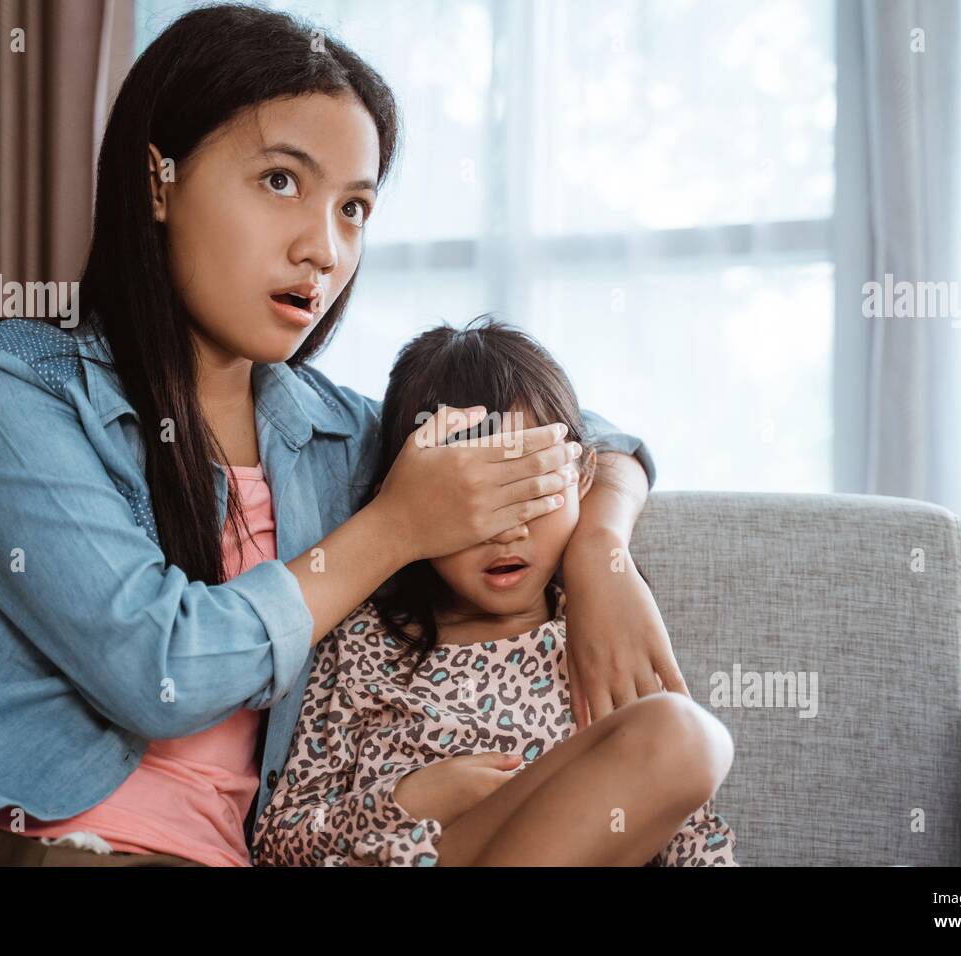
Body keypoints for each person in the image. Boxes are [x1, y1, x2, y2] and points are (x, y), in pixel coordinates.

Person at [0, 5, 678, 866]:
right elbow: (158, 669)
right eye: (280, 181)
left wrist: (602, 555)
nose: (323, 249)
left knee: (674, 745)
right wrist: (396, 528)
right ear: (160, 178)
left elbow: (580, 432)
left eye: (354, 208)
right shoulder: (14, 385)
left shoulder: (340, 437)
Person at [252, 318, 737, 866]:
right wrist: (410, 799)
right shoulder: (364, 643)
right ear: (407, 494)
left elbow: (683, 837)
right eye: (474, 502)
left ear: (582, 479)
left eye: (531, 490)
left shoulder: (600, 640)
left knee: (687, 737)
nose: (508, 531)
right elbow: (276, 840)